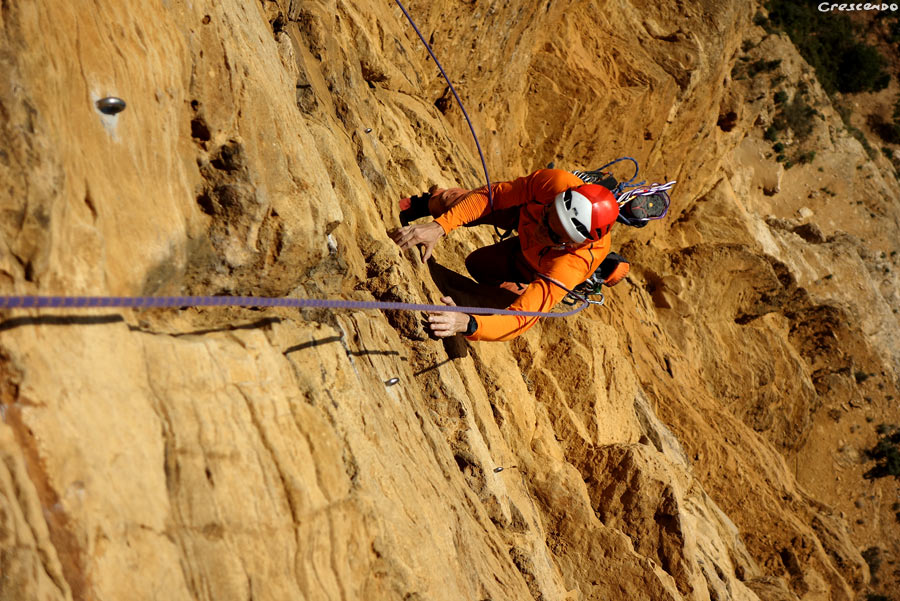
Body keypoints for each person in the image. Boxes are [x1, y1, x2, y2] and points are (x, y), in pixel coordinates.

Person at [389, 169, 628, 342]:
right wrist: (440, 226)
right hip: (521, 216)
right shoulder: (554, 183)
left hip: (538, 263)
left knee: (480, 267)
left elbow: (520, 319)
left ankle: (518, 288)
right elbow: (492, 196)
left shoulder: (570, 266)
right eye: (550, 215)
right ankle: (425, 203)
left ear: (573, 243)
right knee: (454, 203)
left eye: (555, 233)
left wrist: (468, 323)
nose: (542, 229)